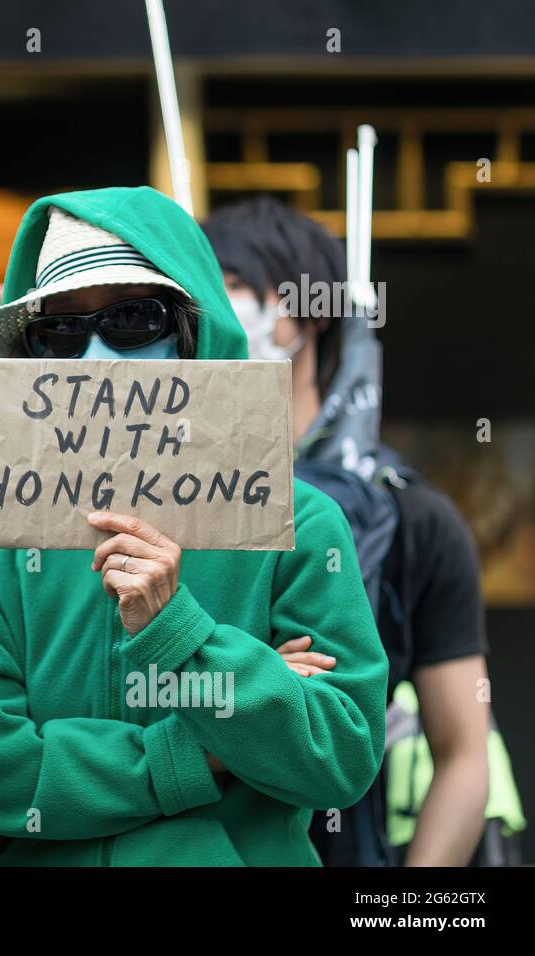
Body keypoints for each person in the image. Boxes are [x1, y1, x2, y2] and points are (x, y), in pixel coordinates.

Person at [0, 186, 389, 866]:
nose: (95, 356)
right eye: (59, 330)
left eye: (132, 319)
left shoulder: (300, 519)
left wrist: (182, 635)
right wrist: (203, 747)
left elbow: (340, 759)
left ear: (191, 329)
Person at [203, 196, 522, 865]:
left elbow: (464, 751)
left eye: (234, 287)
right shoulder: (167, 501)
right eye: (202, 289)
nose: (215, 310)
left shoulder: (413, 520)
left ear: (310, 312)